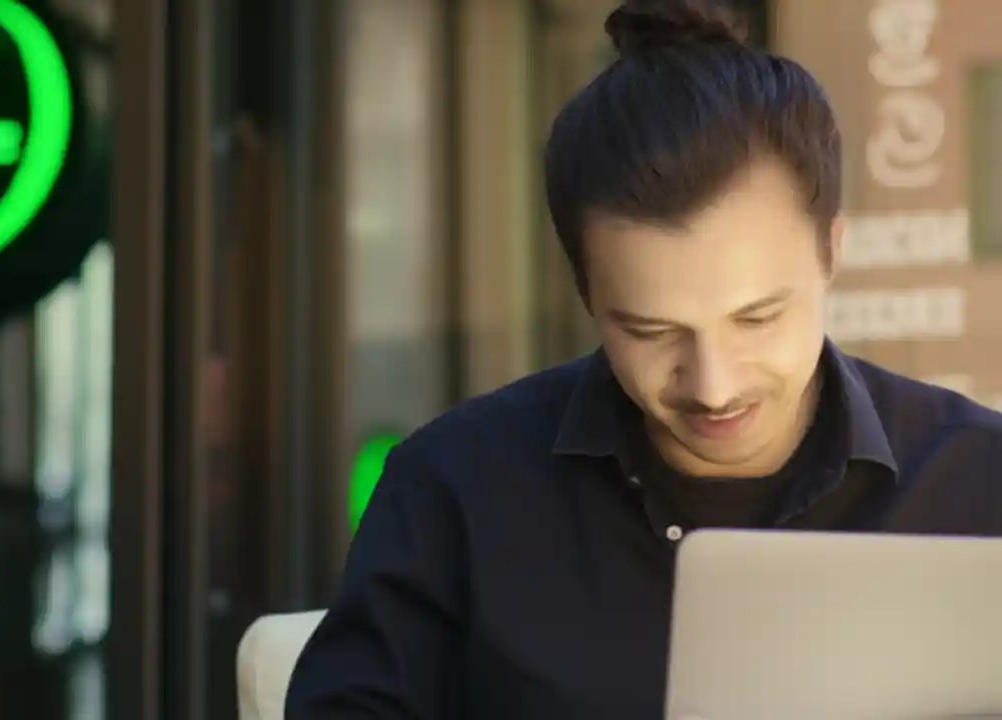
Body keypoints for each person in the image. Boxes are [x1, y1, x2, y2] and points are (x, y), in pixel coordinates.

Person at [285, 0, 1002, 716]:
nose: (714, 386)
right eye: (652, 332)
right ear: (584, 290)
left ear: (832, 252)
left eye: (757, 318)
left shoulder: (980, 484)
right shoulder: (456, 493)